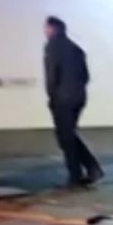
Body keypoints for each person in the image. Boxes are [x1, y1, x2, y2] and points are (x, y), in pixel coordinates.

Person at [43, 16, 102, 187]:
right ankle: (89, 169)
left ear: (54, 29)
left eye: (46, 29)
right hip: (78, 97)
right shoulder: (77, 49)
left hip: (62, 99)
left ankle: (78, 174)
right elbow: (85, 76)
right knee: (68, 135)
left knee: (65, 137)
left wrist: (52, 96)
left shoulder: (53, 46)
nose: (45, 32)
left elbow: (52, 74)